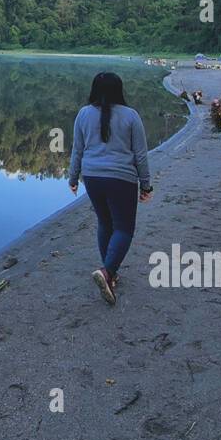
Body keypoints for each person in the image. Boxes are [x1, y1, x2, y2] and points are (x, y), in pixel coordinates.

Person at [67, 72, 153, 305]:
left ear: (95, 90)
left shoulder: (84, 114)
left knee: (105, 223)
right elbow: (140, 155)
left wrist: (73, 177)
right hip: (121, 179)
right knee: (124, 228)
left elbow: (77, 149)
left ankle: (110, 274)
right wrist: (146, 184)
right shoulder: (131, 116)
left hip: (92, 178)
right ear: (119, 90)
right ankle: (107, 272)